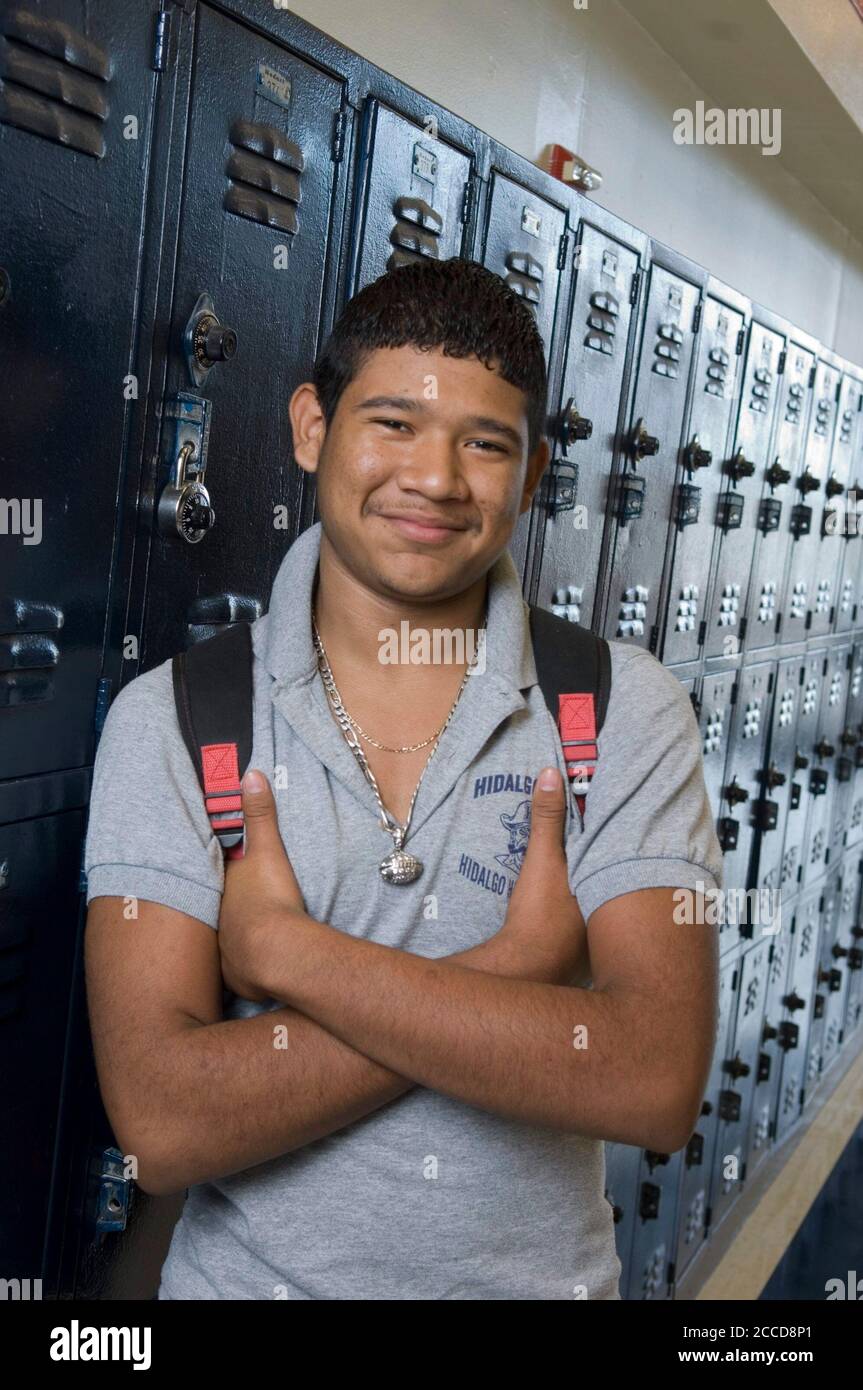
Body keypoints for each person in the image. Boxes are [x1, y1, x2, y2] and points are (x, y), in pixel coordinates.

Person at [84, 257, 722, 1301]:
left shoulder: (615, 707)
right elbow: (163, 1122)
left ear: (531, 474)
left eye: (484, 443)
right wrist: (512, 964)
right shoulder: (182, 718)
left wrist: (291, 953)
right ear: (311, 428)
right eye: (393, 423)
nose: (435, 479)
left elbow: (652, 1079)